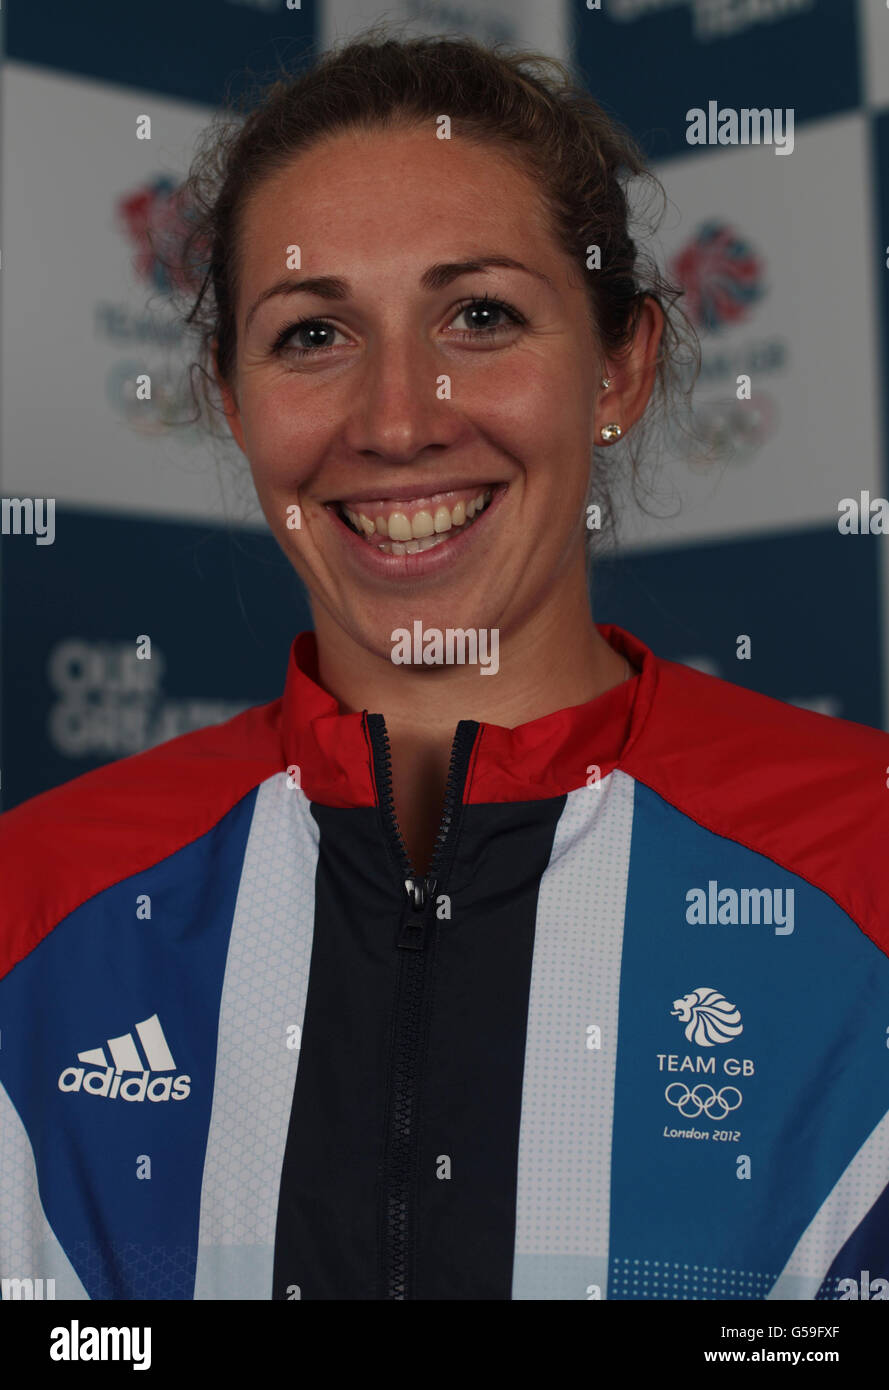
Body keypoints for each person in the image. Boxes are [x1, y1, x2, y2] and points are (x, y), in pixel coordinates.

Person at [2, 31, 888, 1304]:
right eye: (312, 333)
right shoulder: (33, 909)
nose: (398, 418)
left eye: (479, 316)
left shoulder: (865, 858)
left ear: (620, 366)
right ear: (232, 399)